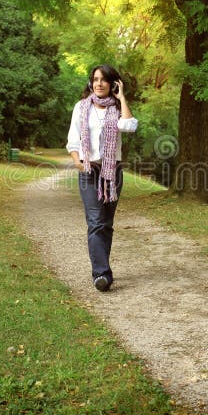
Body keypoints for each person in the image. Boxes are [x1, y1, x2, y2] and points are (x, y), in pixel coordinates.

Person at [66, 64, 138, 292]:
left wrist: (122, 97)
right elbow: (73, 138)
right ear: (91, 83)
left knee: (106, 224)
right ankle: (101, 274)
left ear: (112, 84)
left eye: (104, 80)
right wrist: (78, 161)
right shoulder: (82, 107)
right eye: (95, 79)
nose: (99, 83)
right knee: (96, 222)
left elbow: (129, 126)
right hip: (89, 171)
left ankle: (102, 269)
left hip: (112, 172)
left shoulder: (116, 109)